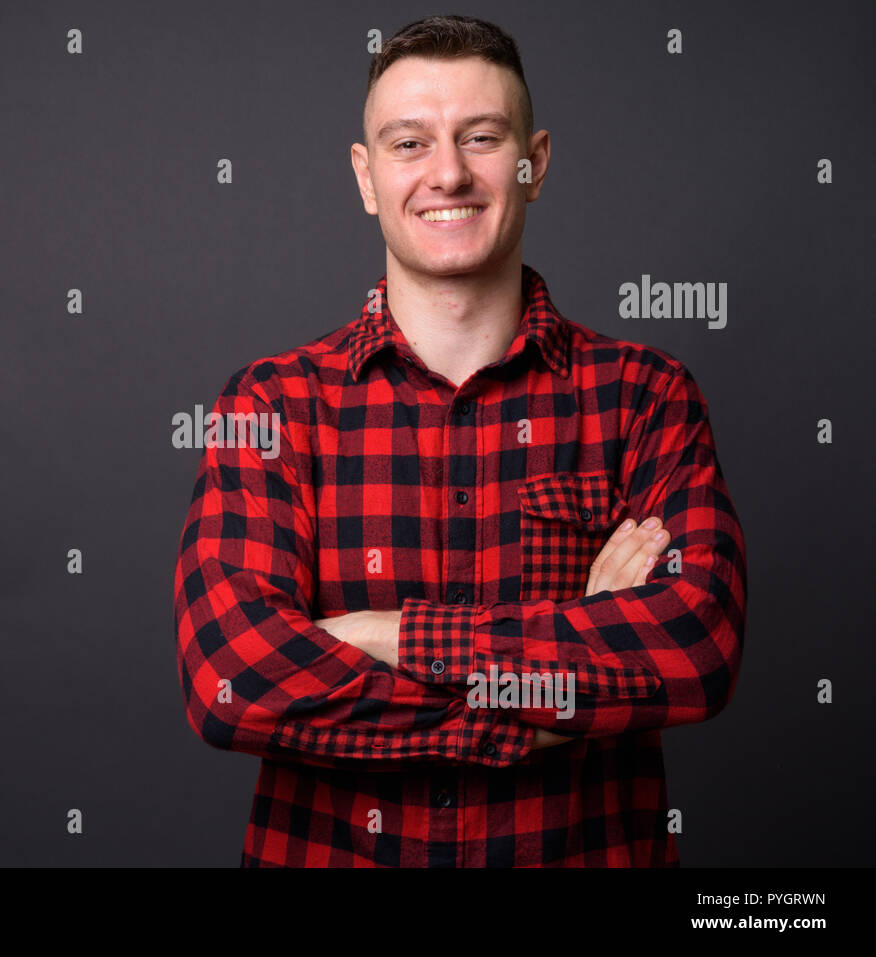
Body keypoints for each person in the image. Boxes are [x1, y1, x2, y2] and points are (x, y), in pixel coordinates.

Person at [172, 14, 747, 867]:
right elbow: (234, 680)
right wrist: (557, 678)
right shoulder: (270, 406)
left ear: (534, 163)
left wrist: (380, 635)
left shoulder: (645, 398)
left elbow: (694, 648)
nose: (448, 173)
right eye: (409, 143)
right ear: (366, 177)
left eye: (481, 137)